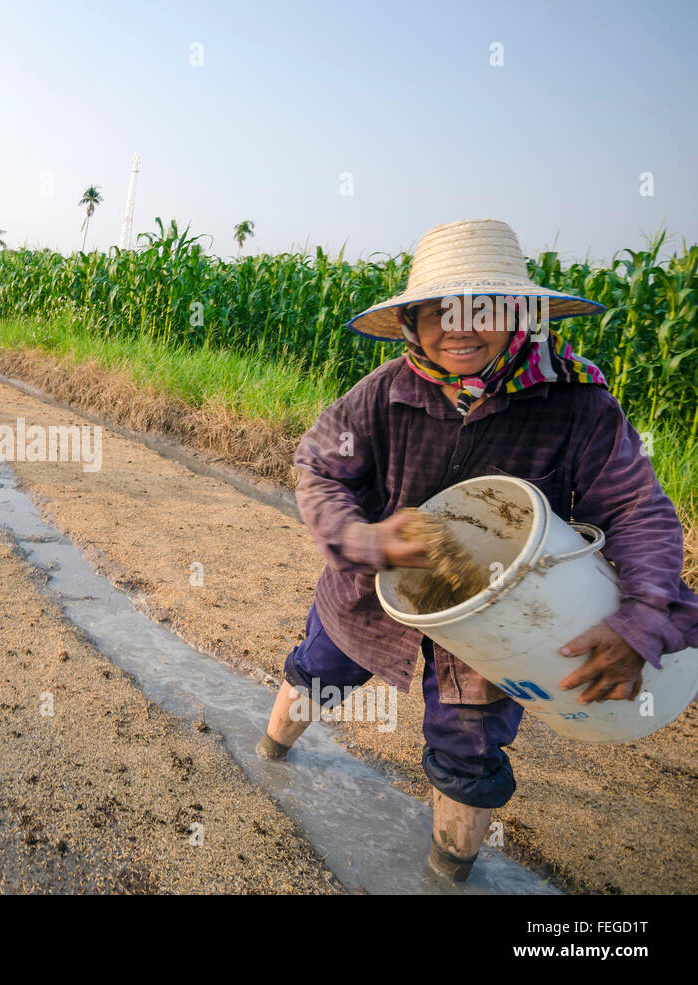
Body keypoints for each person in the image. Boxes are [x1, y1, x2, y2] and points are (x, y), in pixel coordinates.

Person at [256, 218, 698, 881]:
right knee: (317, 671)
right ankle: (265, 756)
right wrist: (363, 538)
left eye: (482, 307)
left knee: (468, 751)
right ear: (411, 321)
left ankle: (447, 873)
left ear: (519, 313)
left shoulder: (575, 403)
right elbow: (319, 468)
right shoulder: (383, 394)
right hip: (372, 592)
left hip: (500, 620)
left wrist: (641, 616)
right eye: (438, 310)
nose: (458, 327)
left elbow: (638, 508)